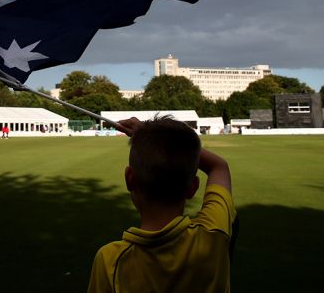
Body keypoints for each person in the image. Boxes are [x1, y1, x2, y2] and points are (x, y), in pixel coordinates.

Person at [88, 116, 235, 293]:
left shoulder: (110, 260)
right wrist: (147, 133)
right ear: (193, 188)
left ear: (129, 178)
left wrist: (146, 136)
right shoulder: (213, 233)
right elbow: (219, 167)